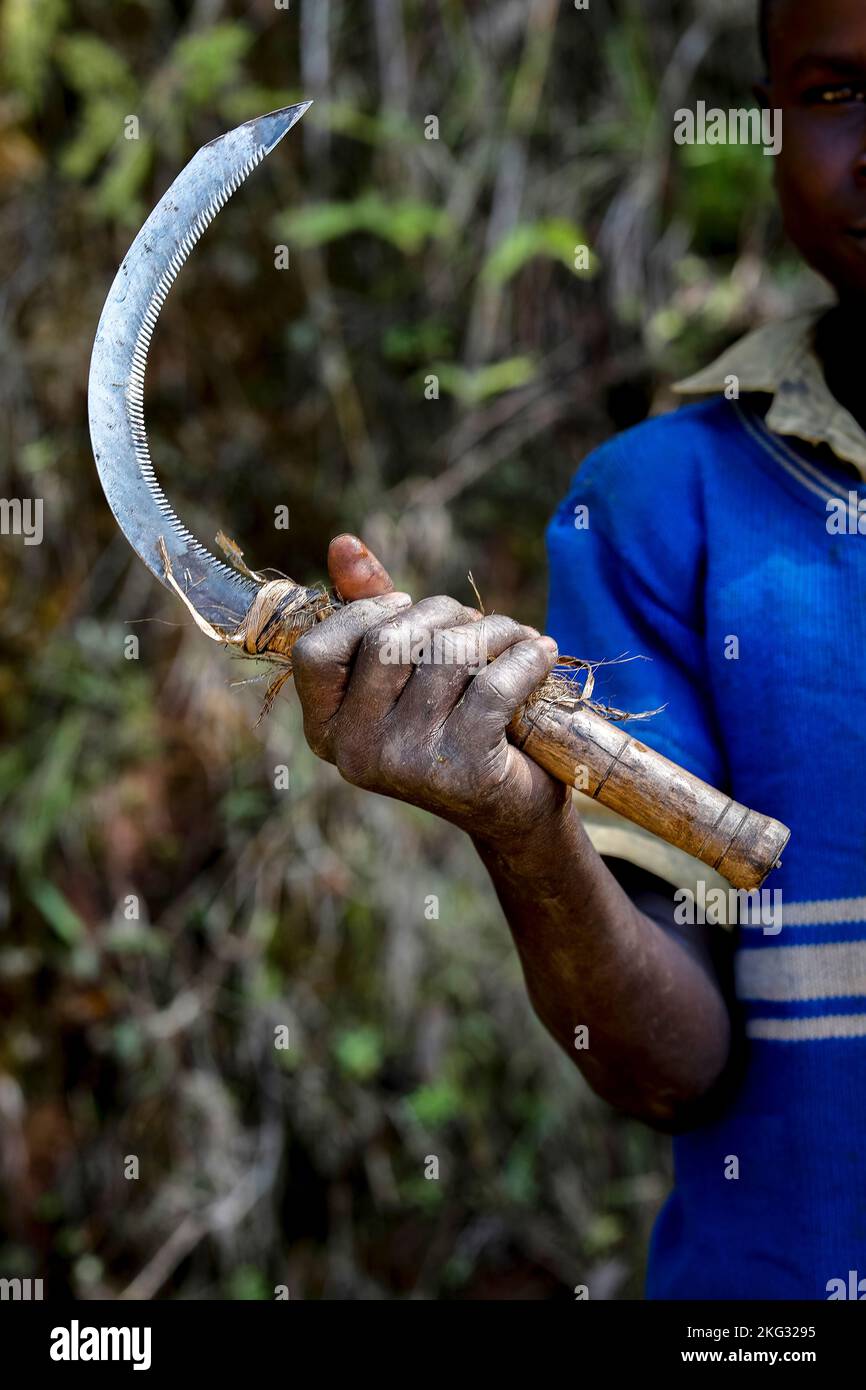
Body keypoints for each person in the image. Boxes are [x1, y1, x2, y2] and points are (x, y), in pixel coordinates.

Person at [292, 0, 866, 1299]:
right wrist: (521, 825)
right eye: (832, 92)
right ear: (770, 128)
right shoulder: (661, 507)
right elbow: (666, 1065)